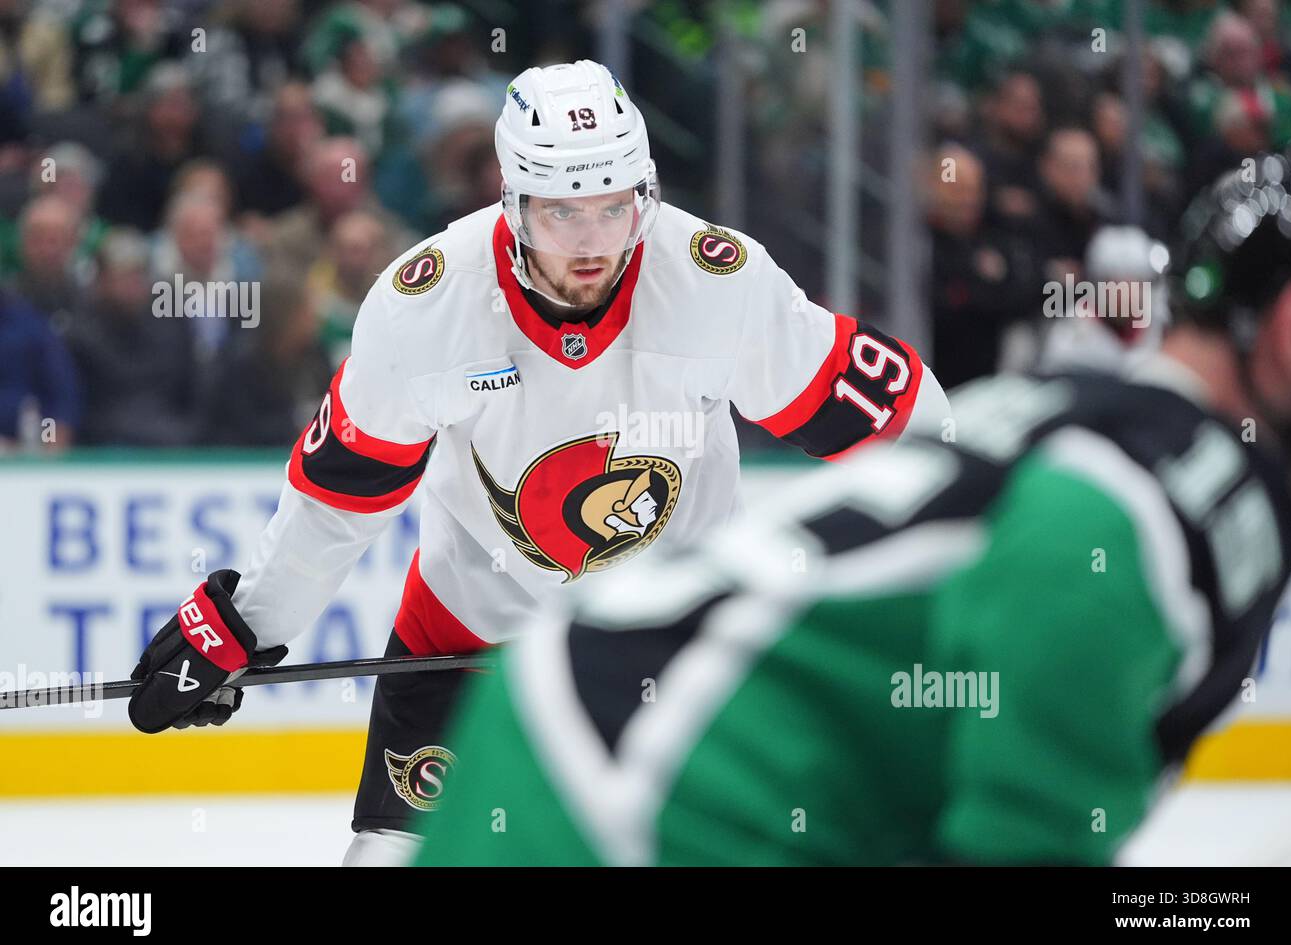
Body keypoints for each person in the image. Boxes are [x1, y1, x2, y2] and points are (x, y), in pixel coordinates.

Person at [124, 60, 950, 865]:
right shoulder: (427, 306)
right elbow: (342, 498)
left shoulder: (714, 281)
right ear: (513, 204)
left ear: (646, 193)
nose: (593, 243)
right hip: (470, 632)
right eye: (562, 214)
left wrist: (971, 556)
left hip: (673, 638)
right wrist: (239, 627)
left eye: (614, 207)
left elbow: (903, 423)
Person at [413, 151, 1291, 865]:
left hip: (593, 724)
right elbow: (1026, 830)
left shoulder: (1104, 427)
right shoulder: (1148, 500)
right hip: (626, 784)